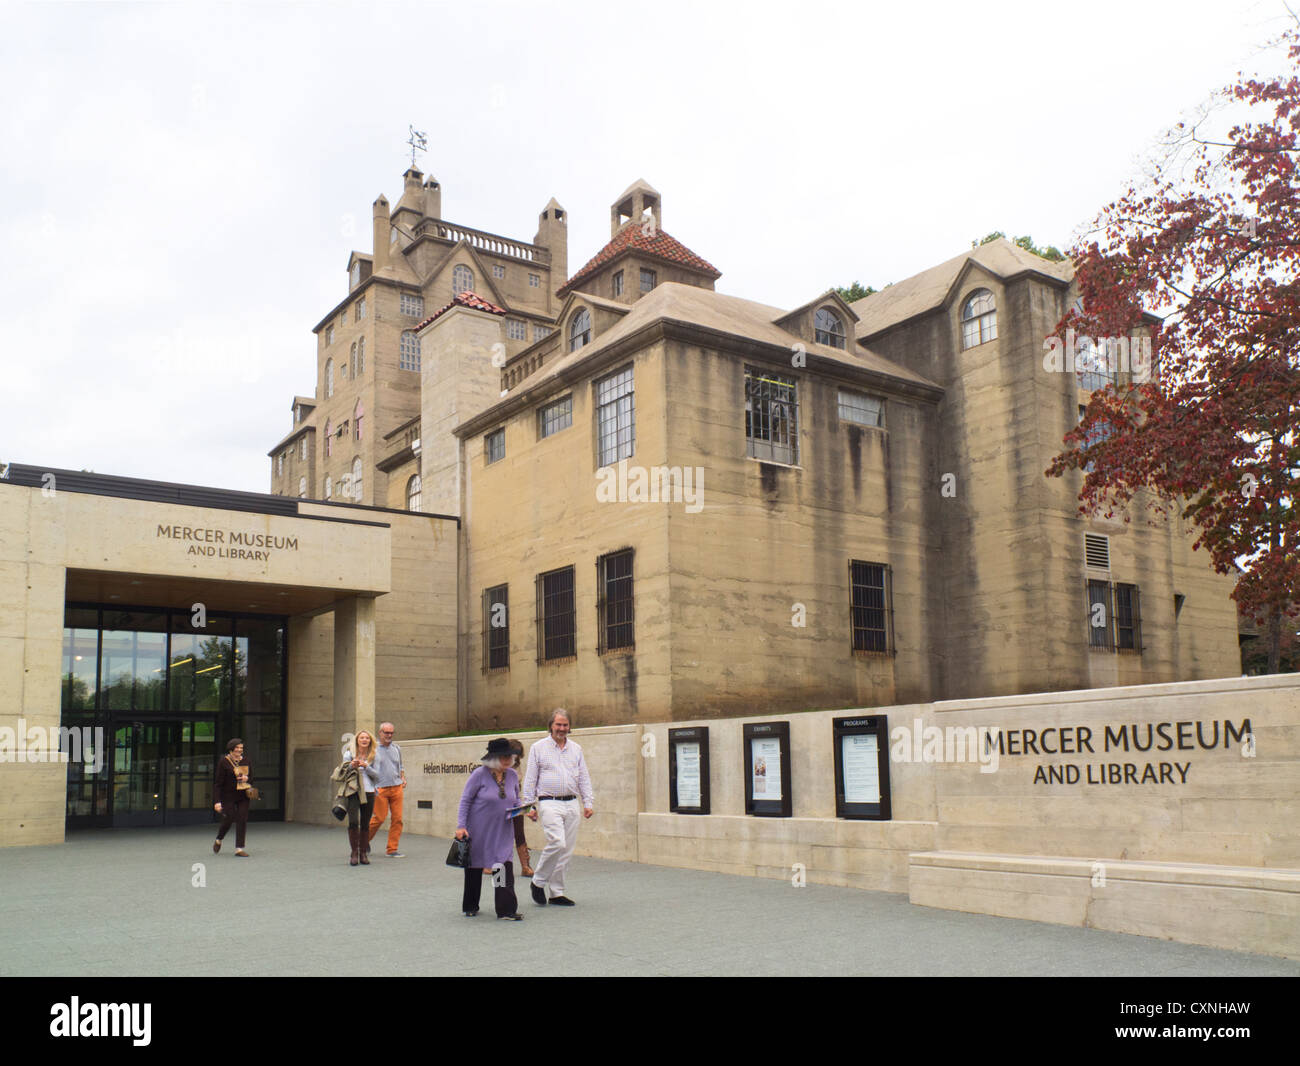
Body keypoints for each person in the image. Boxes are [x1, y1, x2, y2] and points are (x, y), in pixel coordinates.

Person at [522, 709, 593, 906]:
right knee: (557, 842)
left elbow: (584, 777)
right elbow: (530, 778)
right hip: (549, 802)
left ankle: (556, 892)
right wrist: (529, 806)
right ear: (551, 726)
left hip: (572, 803)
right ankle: (538, 881)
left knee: (567, 850)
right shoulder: (538, 748)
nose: (562, 729)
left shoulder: (576, 749)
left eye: (565, 725)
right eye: (558, 725)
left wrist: (588, 802)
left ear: (569, 727)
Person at [455, 738, 523, 920]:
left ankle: (505, 909)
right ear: (493, 758)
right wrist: (461, 825)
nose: (508, 760)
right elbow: (465, 800)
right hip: (478, 830)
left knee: (502, 866)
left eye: (510, 756)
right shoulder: (479, 774)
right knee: (474, 868)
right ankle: (470, 905)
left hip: (502, 830)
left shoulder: (513, 775)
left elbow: (516, 799)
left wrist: (526, 810)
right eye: (504, 757)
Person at [340, 729, 379, 866]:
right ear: (357, 740)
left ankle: (363, 853)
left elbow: (378, 775)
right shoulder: (349, 754)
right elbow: (342, 772)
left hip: (369, 791)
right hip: (353, 791)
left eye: (367, 738)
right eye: (362, 738)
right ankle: (354, 853)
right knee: (353, 822)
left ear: (370, 741)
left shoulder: (374, 755)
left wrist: (366, 766)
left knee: (365, 823)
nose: (364, 740)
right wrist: (352, 765)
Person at [368, 721, 407, 857]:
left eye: (391, 733)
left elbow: (400, 766)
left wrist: (403, 777)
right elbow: (367, 769)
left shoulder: (397, 748)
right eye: (386, 732)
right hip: (380, 789)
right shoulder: (373, 749)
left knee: (398, 819)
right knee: (379, 818)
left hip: (396, 788)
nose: (389, 735)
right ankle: (363, 841)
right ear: (380, 733)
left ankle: (392, 849)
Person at [213, 738, 252, 857]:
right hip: (228, 795)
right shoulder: (224, 762)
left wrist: (247, 779)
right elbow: (218, 783)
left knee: (242, 819)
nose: (239, 750)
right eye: (237, 748)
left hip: (243, 795)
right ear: (231, 749)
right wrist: (217, 802)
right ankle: (219, 839)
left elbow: (252, 777)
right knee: (229, 818)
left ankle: (239, 848)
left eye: (241, 748)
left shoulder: (246, 760)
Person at [508, 738, 533, 876]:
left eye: (517, 754)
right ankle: (489, 864)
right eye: (513, 754)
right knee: (496, 835)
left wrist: (524, 808)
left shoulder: (517, 766)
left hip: (515, 803)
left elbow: (518, 787)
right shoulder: (496, 767)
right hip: (498, 806)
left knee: (519, 833)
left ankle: (525, 866)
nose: (515, 757)